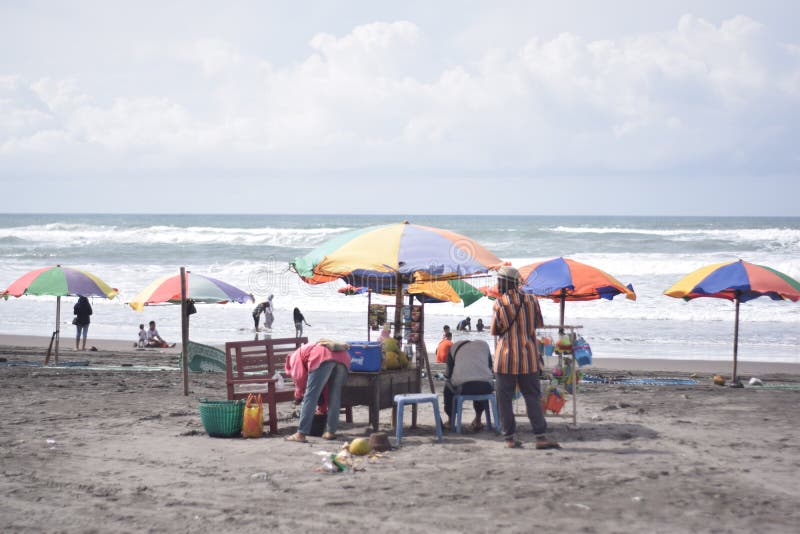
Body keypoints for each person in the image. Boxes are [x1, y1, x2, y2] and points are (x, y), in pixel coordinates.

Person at [491, 265, 560, 450]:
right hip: (529, 356)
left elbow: (495, 330)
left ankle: (509, 439)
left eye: (499, 280)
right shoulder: (532, 300)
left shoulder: (499, 303)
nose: (497, 284)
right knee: (532, 396)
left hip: (505, 357)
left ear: (505, 282)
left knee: (504, 399)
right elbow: (537, 324)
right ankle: (540, 437)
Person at [284, 342, 350, 442]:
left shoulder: (294, 358)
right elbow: (325, 389)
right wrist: (322, 407)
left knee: (310, 396)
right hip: (344, 358)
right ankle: (330, 432)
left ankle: (301, 433)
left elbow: (299, 378)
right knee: (335, 396)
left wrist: (298, 395)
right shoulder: (308, 348)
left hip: (322, 357)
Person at [443, 339, 494, 431]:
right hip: (486, 387)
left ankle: (451, 420)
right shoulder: (484, 345)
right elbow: (490, 366)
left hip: (464, 388)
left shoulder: (454, 347)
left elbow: (448, 374)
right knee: (479, 382)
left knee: (448, 387)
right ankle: (478, 419)